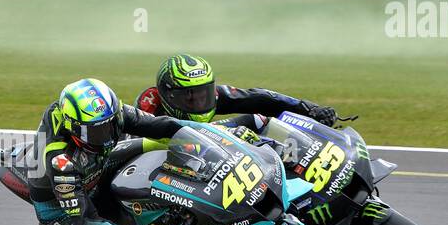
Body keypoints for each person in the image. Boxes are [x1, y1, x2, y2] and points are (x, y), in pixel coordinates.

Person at [29, 78, 192, 225]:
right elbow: (85, 223)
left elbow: (163, 125)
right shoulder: (61, 162)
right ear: (74, 128)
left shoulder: (109, 114)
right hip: (60, 206)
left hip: (96, 165)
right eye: (96, 133)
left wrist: (216, 134)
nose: (106, 136)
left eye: (110, 126)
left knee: (163, 143)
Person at [134, 54, 344, 133]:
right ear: (168, 95)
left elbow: (260, 98)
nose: (198, 101)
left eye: (202, 94)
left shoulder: (215, 96)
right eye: (189, 97)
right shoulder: (147, 108)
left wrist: (309, 109)